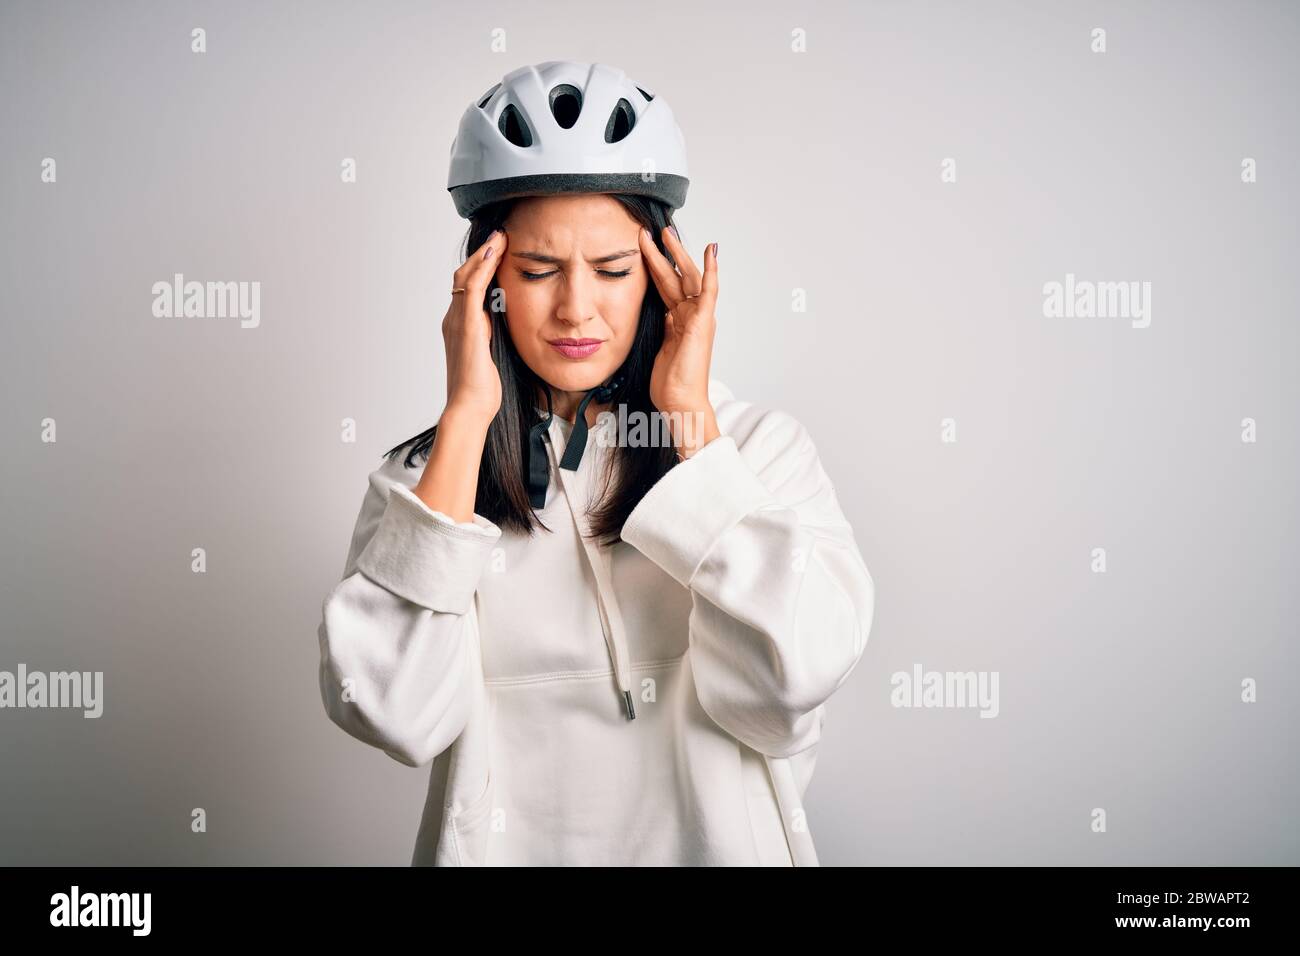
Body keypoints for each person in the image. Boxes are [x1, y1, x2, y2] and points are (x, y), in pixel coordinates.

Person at [316, 60, 876, 866]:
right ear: (485, 281)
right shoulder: (426, 480)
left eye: (613, 271)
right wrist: (466, 419)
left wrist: (692, 429)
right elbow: (395, 714)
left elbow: (793, 685)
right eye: (538, 271)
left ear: (661, 273)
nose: (576, 307)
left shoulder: (758, 449)